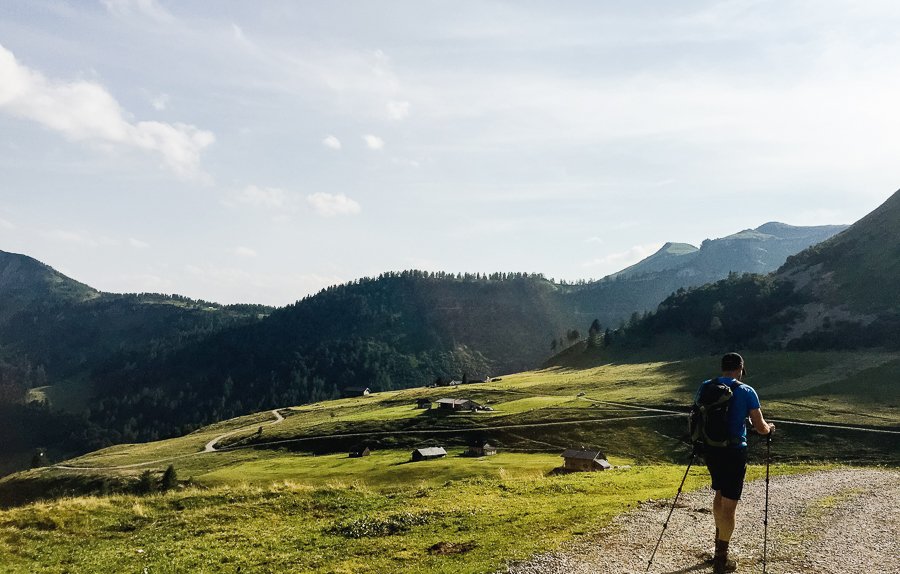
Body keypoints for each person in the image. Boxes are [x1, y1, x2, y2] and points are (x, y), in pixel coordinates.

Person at [697, 352, 775, 573]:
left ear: (723, 368)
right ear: (740, 369)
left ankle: (717, 543)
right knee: (730, 504)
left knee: (719, 492)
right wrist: (770, 429)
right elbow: (760, 427)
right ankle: (721, 559)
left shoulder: (706, 386)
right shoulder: (746, 391)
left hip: (711, 449)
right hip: (734, 452)